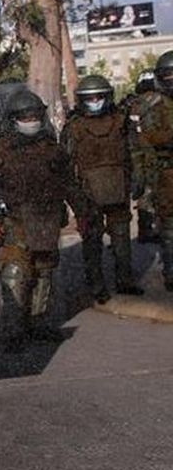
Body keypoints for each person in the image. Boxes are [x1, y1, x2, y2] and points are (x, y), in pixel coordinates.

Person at [0, 89, 91, 350]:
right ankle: (13, 332)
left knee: (43, 273)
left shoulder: (52, 150)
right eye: (25, 116)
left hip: (47, 223)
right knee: (15, 275)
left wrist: (81, 214)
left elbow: (69, 184)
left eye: (35, 115)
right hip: (13, 223)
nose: (31, 120)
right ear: (13, 119)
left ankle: (38, 325)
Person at [62, 74, 143, 302]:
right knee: (92, 241)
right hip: (88, 194)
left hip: (118, 188)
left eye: (99, 97)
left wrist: (138, 178)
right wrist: (73, 196)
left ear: (107, 97)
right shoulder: (73, 127)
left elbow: (134, 152)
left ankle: (124, 281)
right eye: (90, 98)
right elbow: (66, 163)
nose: (95, 102)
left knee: (121, 239)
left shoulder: (121, 121)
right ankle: (96, 286)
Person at [133, 51, 173, 291]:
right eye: (168, 75)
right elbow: (147, 140)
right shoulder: (153, 105)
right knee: (169, 229)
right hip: (166, 175)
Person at [128, 72, 161, 243]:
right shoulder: (161, 102)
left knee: (143, 192)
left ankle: (146, 228)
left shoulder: (132, 104)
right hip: (154, 154)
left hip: (138, 155)